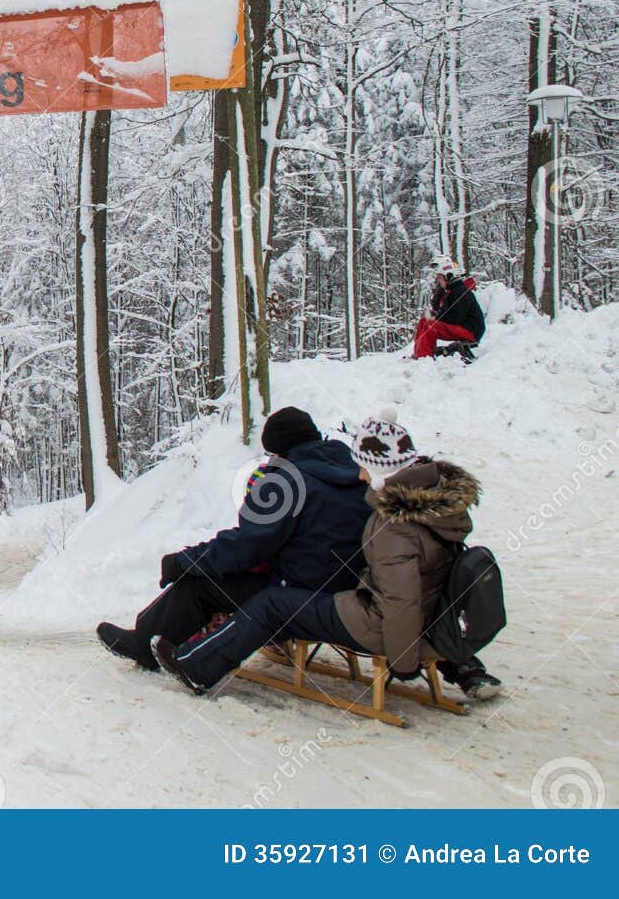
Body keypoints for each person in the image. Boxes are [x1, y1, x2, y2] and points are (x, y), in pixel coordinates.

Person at [156, 413, 503, 700]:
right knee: (283, 596)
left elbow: (401, 600)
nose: (359, 475)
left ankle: (196, 668)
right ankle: (466, 667)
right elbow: (426, 578)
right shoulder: (432, 499)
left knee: (273, 603)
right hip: (424, 609)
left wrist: (403, 661)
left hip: (377, 618)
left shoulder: (394, 524)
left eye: (364, 468)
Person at [96, 406, 369, 672]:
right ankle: (175, 641)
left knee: (199, 585)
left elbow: (246, 546)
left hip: (299, 591)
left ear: (278, 450)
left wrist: (184, 562)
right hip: (346, 591)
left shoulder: (286, 481)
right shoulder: (354, 471)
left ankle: (145, 644)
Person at [413, 256, 485, 361]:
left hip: (470, 331)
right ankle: (417, 354)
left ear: (448, 276)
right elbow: (446, 313)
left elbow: (455, 317)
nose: (438, 280)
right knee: (424, 321)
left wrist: (435, 318)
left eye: (440, 277)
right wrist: (434, 316)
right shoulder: (451, 291)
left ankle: (423, 359)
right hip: (462, 327)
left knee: (430, 326)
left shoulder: (460, 291)